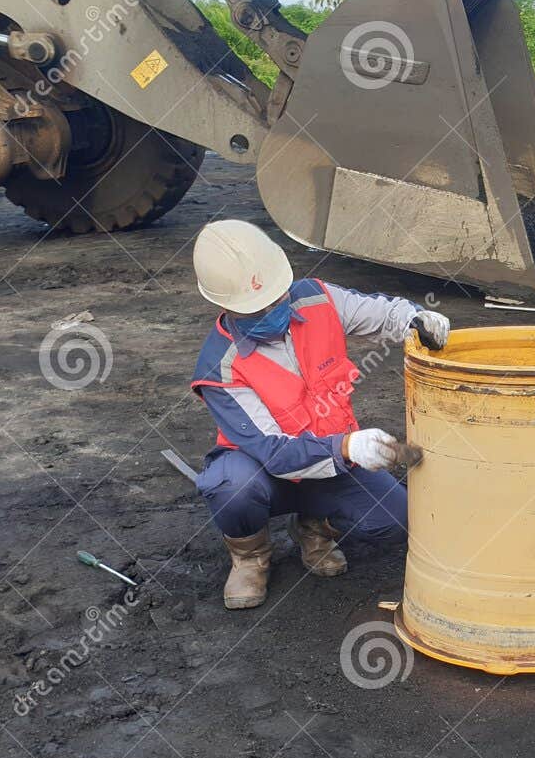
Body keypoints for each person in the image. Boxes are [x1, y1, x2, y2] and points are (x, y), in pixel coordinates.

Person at [189, 219, 449, 609]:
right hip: (265, 472)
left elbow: (380, 314)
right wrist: (347, 446)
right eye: (257, 309)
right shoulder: (219, 369)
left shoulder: (315, 298)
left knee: (396, 520)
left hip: (332, 466)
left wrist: (414, 318)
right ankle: (250, 556)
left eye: (278, 299)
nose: (274, 310)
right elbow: (273, 451)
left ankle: (313, 527)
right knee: (231, 487)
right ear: (225, 305)